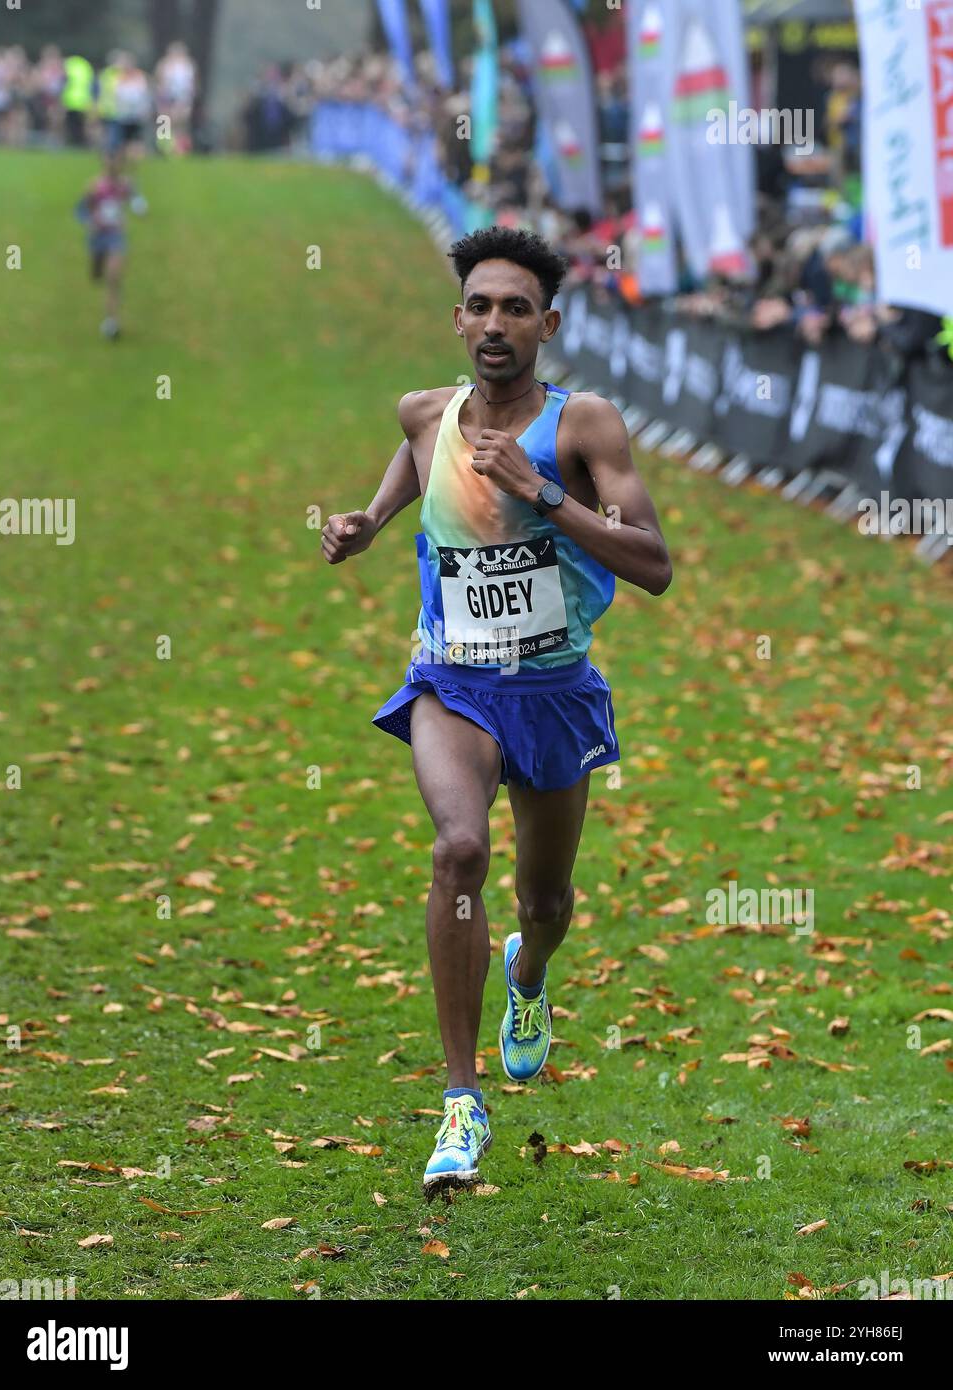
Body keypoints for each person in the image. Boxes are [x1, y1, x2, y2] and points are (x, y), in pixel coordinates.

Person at [321, 226, 672, 1197]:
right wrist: (368, 522)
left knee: (545, 902)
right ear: (456, 318)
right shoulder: (425, 412)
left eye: (515, 307)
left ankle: (527, 973)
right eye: (478, 305)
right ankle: (460, 1101)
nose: (493, 323)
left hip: (553, 691)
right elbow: (415, 454)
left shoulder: (584, 424)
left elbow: (654, 567)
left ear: (548, 324)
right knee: (457, 852)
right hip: (453, 680)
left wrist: (542, 493)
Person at [75, 151, 147, 339]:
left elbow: (137, 202)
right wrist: (90, 221)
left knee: (113, 278)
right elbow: (81, 210)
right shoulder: (95, 186)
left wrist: (139, 207)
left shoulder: (125, 185)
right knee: (97, 274)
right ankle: (99, 270)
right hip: (98, 236)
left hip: (116, 235)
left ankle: (111, 322)